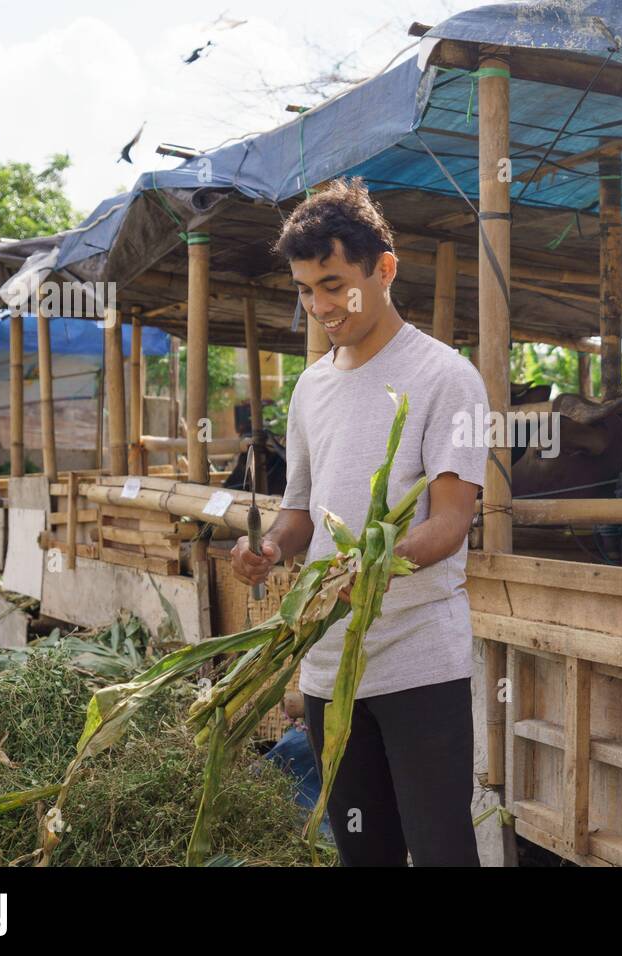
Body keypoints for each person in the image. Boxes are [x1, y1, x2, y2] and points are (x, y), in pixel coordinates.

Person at [231, 177, 488, 866]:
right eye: (305, 290)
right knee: (362, 850)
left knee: (441, 850)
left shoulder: (447, 377)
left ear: (385, 269)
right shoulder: (311, 386)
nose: (321, 307)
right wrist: (268, 549)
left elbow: (450, 522)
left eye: (335, 285)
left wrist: (372, 566)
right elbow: (300, 512)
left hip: (419, 660)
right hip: (327, 667)